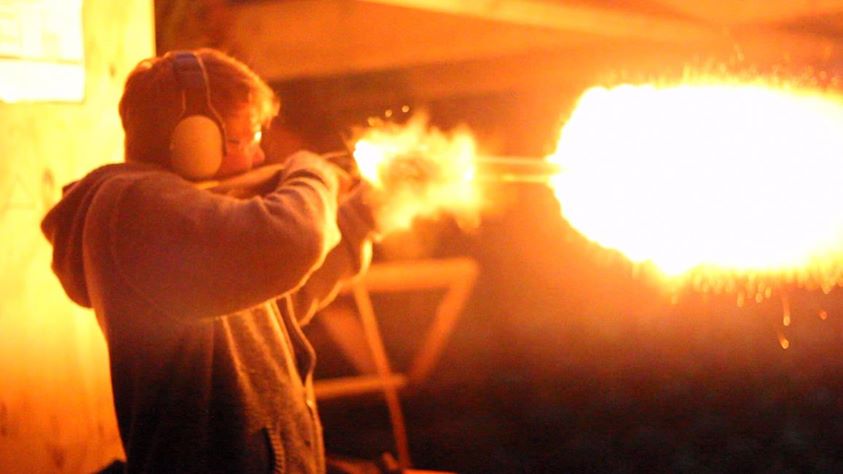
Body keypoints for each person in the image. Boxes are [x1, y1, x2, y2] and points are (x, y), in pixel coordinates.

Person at [41, 48, 377, 473]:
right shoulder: (133, 207)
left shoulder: (190, 226)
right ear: (194, 138)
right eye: (248, 137)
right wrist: (313, 173)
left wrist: (365, 215)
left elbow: (277, 301)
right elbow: (293, 241)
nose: (258, 157)